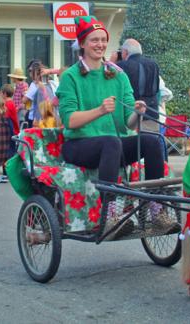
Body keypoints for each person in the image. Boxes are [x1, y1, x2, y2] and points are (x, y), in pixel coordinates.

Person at [56, 16, 168, 231]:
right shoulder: (71, 76)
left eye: (103, 40)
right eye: (93, 40)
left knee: (153, 141)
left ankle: (155, 207)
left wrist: (137, 112)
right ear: (82, 44)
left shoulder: (118, 75)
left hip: (112, 144)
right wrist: (100, 110)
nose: (100, 45)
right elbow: (69, 120)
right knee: (111, 142)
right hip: (79, 145)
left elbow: (128, 122)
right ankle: (110, 215)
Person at [117, 38, 161, 132]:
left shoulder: (122, 66)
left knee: (134, 145)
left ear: (125, 52)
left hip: (132, 114)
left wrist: (112, 63)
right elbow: (157, 89)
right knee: (151, 143)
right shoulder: (153, 64)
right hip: (152, 111)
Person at [24, 60, 56, 127]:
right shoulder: (53, 84)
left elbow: (24, 100)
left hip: (37, 119)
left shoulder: (34, 85)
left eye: (31, 71)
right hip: (52, 117)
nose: (30, 74)